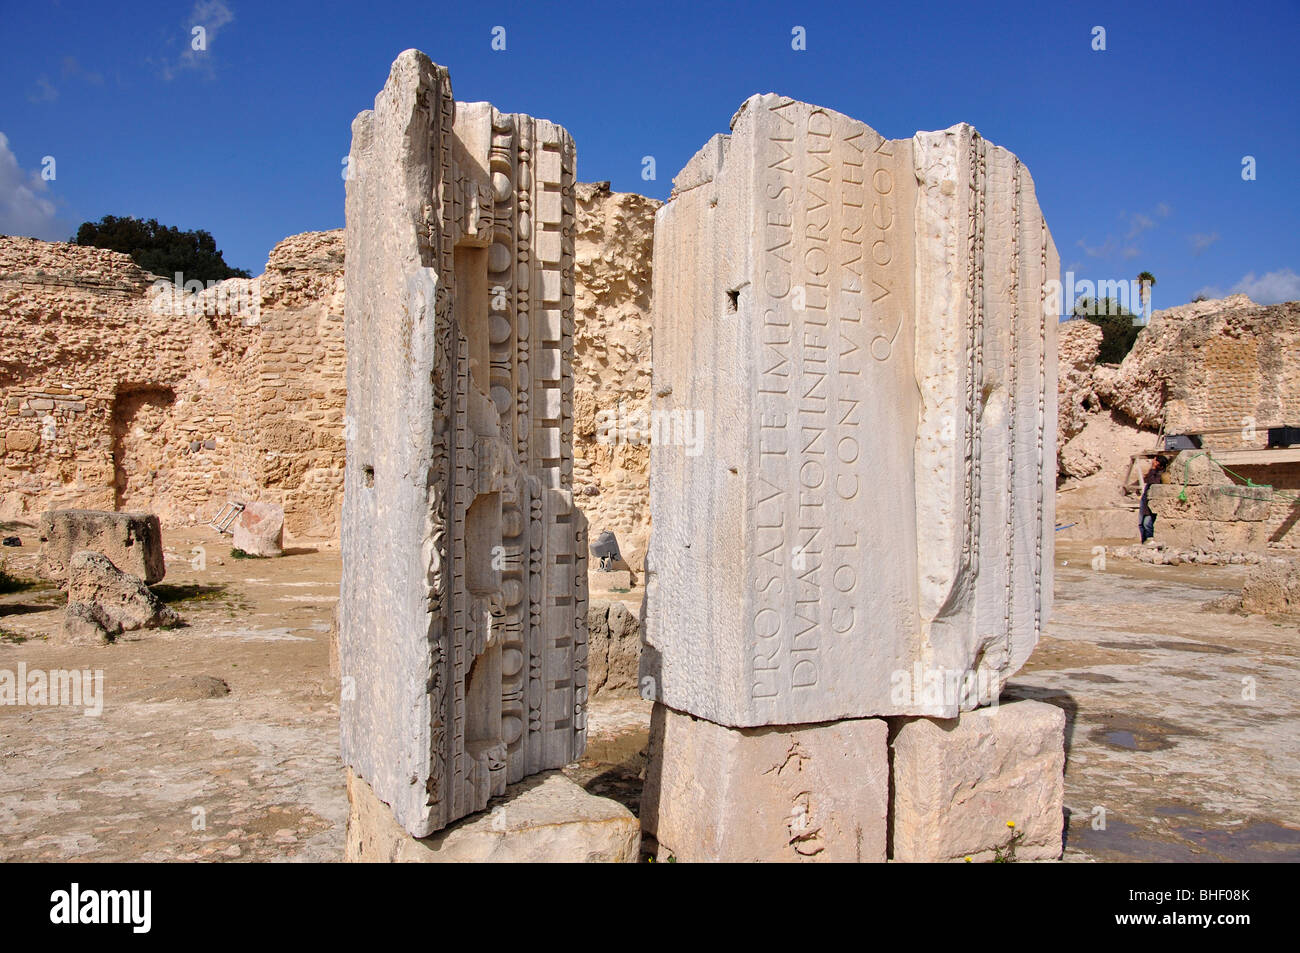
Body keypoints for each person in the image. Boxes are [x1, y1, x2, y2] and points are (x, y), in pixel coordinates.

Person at [1139, 457, 1167, 542]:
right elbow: (1147, 480)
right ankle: (1143, 542)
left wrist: (1153, 468)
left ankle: (1150, 541)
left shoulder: (1161, 475)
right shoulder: (1154, 472)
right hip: (1145, 500)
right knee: (1141, 524)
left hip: (1152, 501)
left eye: (1155, 462)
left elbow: (1152, 482)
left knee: (1147, 523)